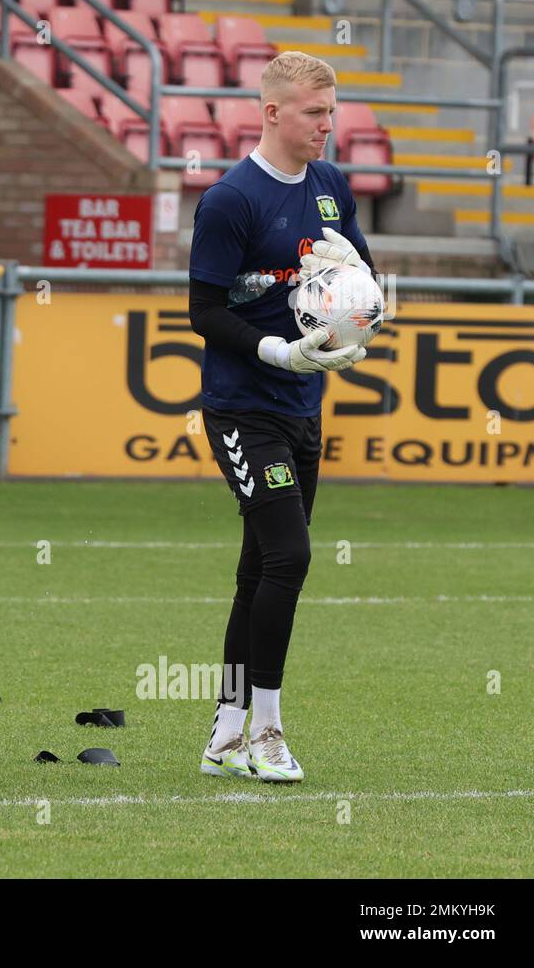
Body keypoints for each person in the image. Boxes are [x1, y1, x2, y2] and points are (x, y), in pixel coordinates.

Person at [188, 51, 374, 782]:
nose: (327, 125)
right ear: (271, 112)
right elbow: (202, 311)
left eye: (331, 111)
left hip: (303, 408)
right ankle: (266, 728)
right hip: (243, 407)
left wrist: (361, 284)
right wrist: (275, 348)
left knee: (259, 568)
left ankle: (224, 733)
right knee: (290, 557)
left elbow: (361, 284)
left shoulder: (331, 186)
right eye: (313, 112)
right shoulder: (232, 199)